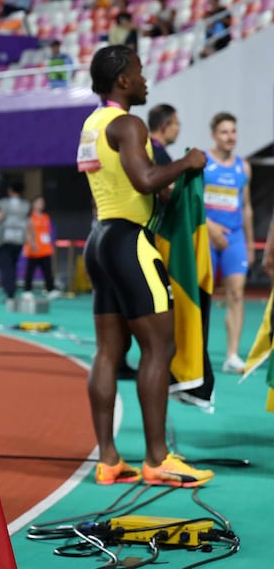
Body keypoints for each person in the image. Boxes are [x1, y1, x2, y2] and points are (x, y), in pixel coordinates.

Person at [77, 44, 213, 487]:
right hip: (129, 242)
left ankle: (109, 459)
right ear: (122, 80)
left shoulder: (92, 124)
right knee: (160, 348)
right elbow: (144, 180)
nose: (145, 78)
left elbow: (127, 182)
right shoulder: (129, 123)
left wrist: (163, 184)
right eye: (139, 71)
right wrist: (187, 162)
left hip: (98, 241)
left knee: (108, 352)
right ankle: (158, 459)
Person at [203, 112, 254, 373]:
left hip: (234, 238)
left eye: (233, 131)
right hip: (206, 236)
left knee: (237, 294)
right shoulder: (203, 163)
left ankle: (232, 355)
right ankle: (195, 353)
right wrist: (211, 228)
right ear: (214, 135)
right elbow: (192, 203)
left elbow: (245, 208)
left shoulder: (243, 167)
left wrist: (248, 242)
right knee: (202, 296)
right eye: (224, 131)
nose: (230, 136)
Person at [0, 182, 31, 310]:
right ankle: (11, 292)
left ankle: (10, 293)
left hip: (3, 239)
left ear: (10, 190)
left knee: (6, 267)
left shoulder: (2, 203)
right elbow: (28, 222)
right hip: (18, 239)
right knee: (12, 266)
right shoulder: (26, 205)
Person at [23, 196, 59, 298]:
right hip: (33, 248)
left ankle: (51, 289)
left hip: (45, 249)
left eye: (42, 202)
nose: (41, 204)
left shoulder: (46, 217)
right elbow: (28, 231)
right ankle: (27, 290)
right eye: (38, 202)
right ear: (33, 204)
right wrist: (32, 243)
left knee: (48, 271)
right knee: (30, 271)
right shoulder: (30, 217)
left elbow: (47, 233)